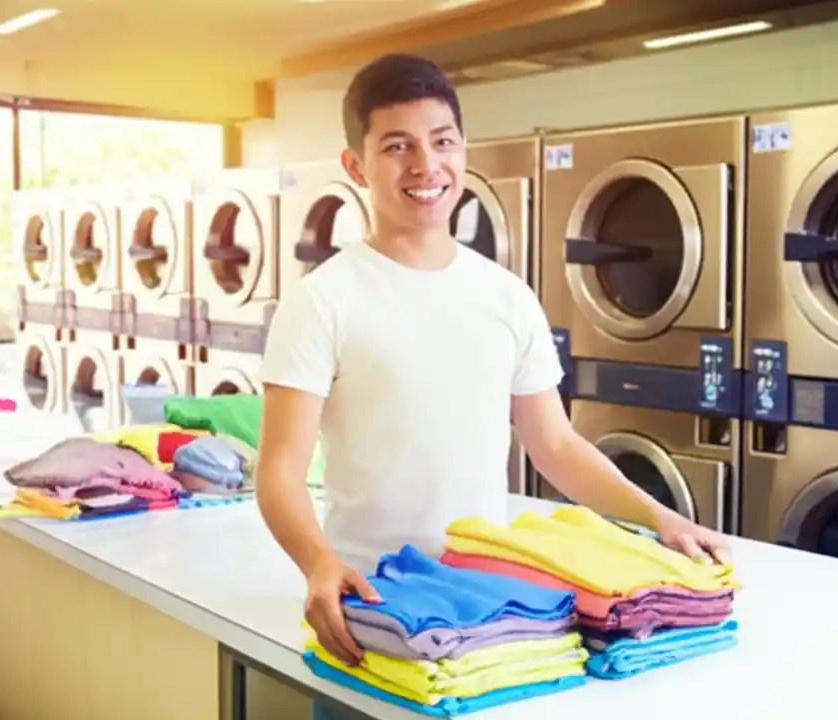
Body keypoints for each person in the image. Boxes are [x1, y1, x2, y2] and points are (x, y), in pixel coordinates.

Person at [254, 53, 732, 672]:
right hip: (370, 600)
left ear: (464, 150)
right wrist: (319, 562)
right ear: (355, 165)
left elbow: (555, 445)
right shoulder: (322, 300)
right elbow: (281, 472)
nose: (426, 166)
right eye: (397, 147)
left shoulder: (506, 295)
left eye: (442, 141)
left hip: (490, 604)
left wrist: (659, 517)